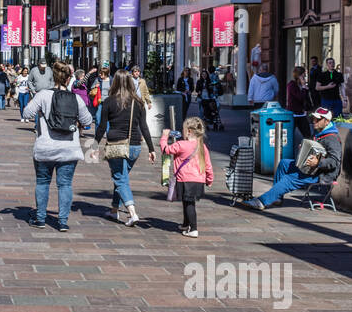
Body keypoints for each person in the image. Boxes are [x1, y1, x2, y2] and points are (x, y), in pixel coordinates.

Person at [22, 60, 94, 232]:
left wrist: (41, 110)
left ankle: (40, 218)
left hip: (45, 147)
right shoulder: (76, 98)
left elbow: (26, 113)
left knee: (42, 182)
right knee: (65, 185)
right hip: (69, 149)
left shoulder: (43, 95)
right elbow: (88, 121)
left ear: (52, 77)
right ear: (69, 79)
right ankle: (62, 221)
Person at [238, 107, 342, 210]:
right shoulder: (319, 132)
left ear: (327, 121)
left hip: (322, 174)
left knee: (289, 178)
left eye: (318, 119)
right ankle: (277, 198)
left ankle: (261, 201)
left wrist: (318, 162)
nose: (314, 121)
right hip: (311, 168)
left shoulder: (331, 138)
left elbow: (334, 162)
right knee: (284, 163)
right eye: (313, 119)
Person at [93, 71, 156, 226]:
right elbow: (144, 127)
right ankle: (114, 210)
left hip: (116, 145)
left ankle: (132, 212)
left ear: (115, 83)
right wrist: (151, 148)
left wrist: (94, 146)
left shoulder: (108, 102)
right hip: (134, 146)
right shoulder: (138, 102)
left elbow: (101, 126)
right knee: (121, 177)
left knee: (120, 179)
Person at [159, 117, 214, 237]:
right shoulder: (202, 146)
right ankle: (186, 224)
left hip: (185, 180)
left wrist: (164, 136)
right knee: (187, 201)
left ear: (189, 131)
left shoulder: (181, 145)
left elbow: (165, 150)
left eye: (183, 130)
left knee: (189, 204)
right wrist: (209, 179)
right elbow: (208, 165)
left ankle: (194, 229)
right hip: (198, 180)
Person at [285, 65, 310, 142]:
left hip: (302, 114)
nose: (305, 77)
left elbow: (306, 99)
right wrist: (303, 88)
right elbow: (300, 97)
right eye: (303, 75)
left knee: (307, 134)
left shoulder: (301, 85)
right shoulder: (292, 85)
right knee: (289, 135)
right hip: (294, 114)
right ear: (298, 76)